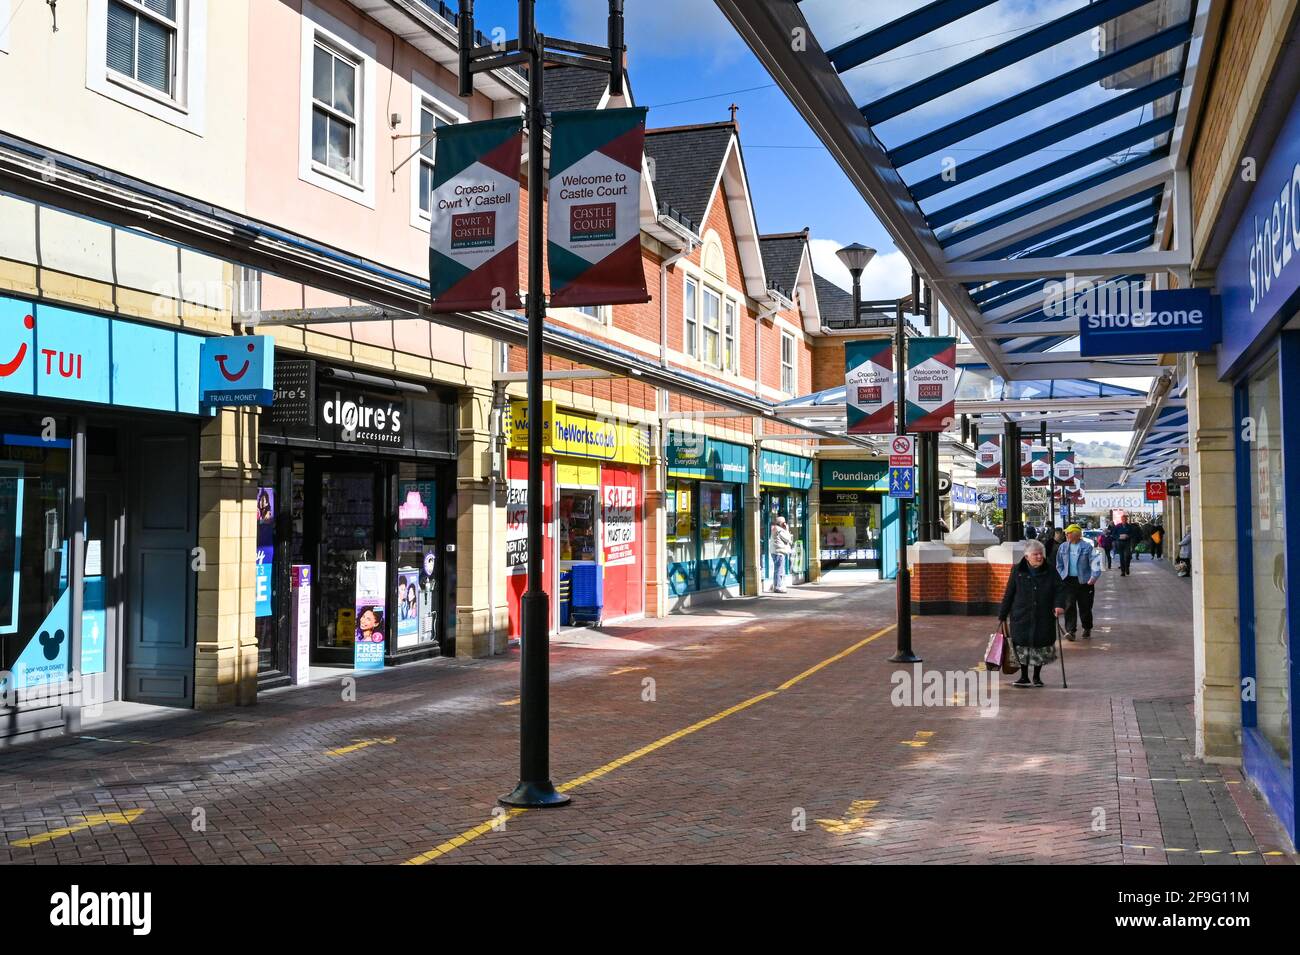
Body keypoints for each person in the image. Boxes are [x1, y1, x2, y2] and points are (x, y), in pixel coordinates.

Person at [998, 538, 1068, 688]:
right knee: (1021, 647)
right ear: (1026, 557)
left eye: (1040, 553)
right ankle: (1024, 677)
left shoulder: (1050, 570)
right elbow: (1009, 592)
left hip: (1043, 614)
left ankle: (1037, 677)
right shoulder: (1017, 570)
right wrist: (1002, 614)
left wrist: (1059, 605)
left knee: (1040, 646)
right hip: (1021, 614)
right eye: (1035, 554)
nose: (1039, 557)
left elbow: (1060, 589)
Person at [1055, 524, 1102, 640]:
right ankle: (1071, 631)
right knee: (1069, 606)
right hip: (1068, 580)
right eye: (1066, 533)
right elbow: (1059, 563)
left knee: (1085, 607)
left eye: (1068, 533)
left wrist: (1094, 577)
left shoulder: (1087, 547)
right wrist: (1061, 575)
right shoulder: (1063, 547)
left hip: (1085, 582)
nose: (1066, 535)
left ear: (1076, 535)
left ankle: (1087, 627)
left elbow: (1095, 562)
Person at [769, 515, 794, 594]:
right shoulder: (780, 530)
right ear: (782, 523)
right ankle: (778, 587)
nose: (785, 524)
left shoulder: (775, 528)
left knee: (777, 570)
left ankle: (776, 585)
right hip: (779, 552)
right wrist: (786, 529)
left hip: (775, 551)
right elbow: (788, 539)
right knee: (779, 570)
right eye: (784, 523)